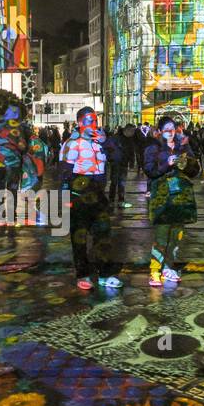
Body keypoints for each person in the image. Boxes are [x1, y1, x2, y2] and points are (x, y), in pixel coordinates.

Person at [61, 107, 122, 289]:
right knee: (79, 238)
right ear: (80, 123)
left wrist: (107, 142)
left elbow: (118, 157)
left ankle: (104, 273)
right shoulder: (72, 144)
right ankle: (83, 274)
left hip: (99, 196)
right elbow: (65, 172)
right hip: (80, 196)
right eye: (89, 121)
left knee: (103, 235)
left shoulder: (100, 143)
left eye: (95, 120)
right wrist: (67, 198)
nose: (93, 125)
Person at [143, 116, 198, 287]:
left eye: (172, 128)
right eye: (166, 129)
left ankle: (168, 267)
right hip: (162, 197)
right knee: (161, 236)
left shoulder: (182, 146)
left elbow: (194, 170)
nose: (170, 132)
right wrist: (167, 163)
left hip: (180, 196)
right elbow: (149, 171)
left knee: (177, 235)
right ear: (159, 131)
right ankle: (154, 271)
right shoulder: (153, 148)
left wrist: (186, 158)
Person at [0, 104, 30, 223]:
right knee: (12, 188)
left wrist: (0, 144)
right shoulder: (17, 128)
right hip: (13, 162)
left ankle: (1, 213)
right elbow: (22, 145)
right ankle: (11, 214)